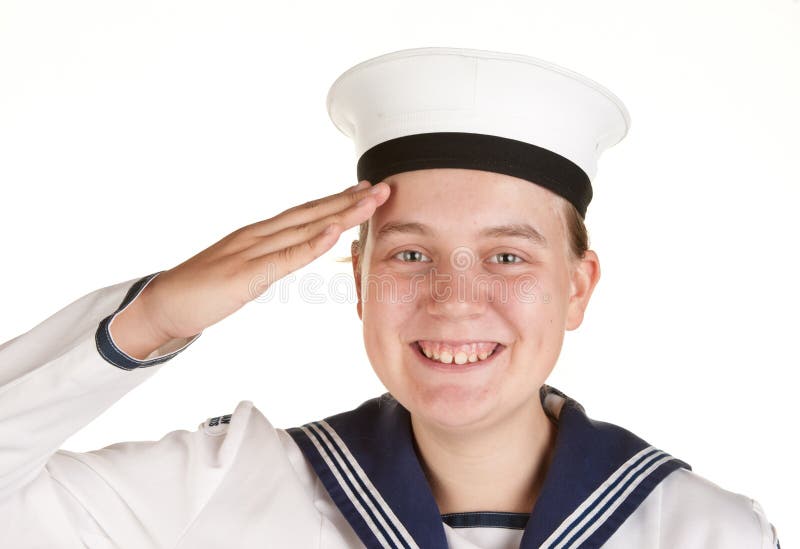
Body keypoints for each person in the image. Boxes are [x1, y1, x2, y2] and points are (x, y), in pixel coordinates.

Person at [0, 47, 780, 549]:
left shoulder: (705, 531)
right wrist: (154, 319)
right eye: (411, 253)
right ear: (360, 278)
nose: (454, 298)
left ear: (577, 286)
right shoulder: (226, 485)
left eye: (507, 255)